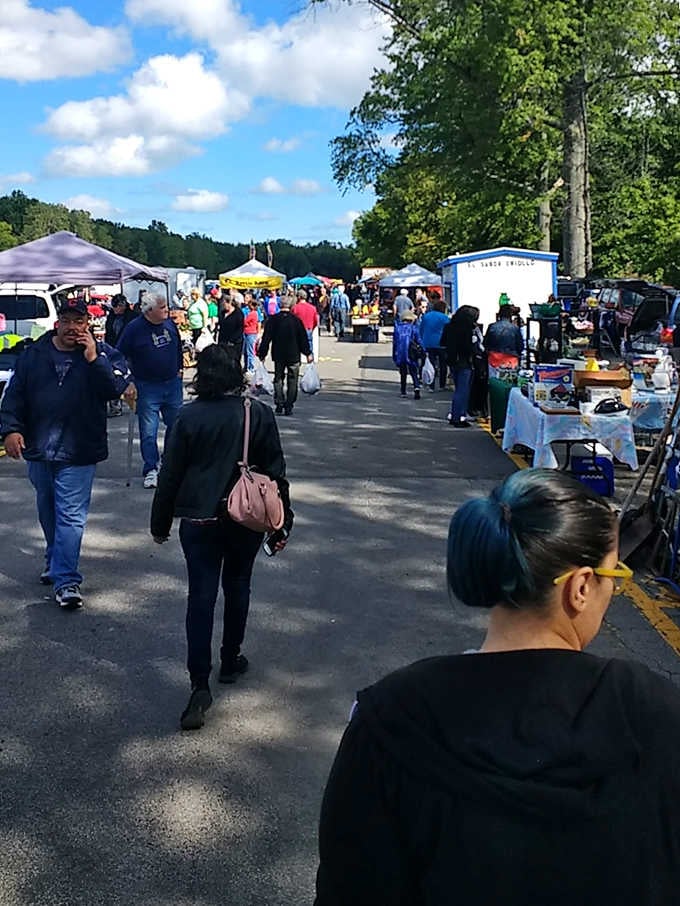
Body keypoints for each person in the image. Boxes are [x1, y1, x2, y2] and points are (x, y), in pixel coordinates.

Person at [315, 469, 680, 906]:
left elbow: (349, 885)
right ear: (581, 587)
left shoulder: (390, 716)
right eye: (614, 576)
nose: (612, 592)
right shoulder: (657, 714)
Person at [150, 345, 294, 731]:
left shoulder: (187, 417)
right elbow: (276, 473)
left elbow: (170, 474)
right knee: (239, 584)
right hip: (244, 516)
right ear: (237, 374)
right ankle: (230, 659)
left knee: (200, 595)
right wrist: (283, 523)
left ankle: (199, 683)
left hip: (198, 518)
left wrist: (160, 522)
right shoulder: (258, 413)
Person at [0, 298, 131, 609]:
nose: (73, 327)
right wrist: (10, 430)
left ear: (88, 324)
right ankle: (55, 559)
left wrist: (93, 358)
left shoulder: (104, 354)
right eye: (67, 320)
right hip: (39, 447)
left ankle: (66, 581)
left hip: (79, 449)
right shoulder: (33, 354)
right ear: (57, 322)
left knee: (71, 516)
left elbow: (114, 389)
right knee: (48, 510)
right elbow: (14, 395)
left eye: (79, 321)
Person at [117, 293, 184, 489]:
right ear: (149, 311)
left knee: (177, 426)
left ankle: (168, 462)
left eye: (166, 307)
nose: (167, 311)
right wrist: (127, 380)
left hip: (172, 383)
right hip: (147, 386)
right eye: (162, 308)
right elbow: (119, 355)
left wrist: (180, 368)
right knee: (148, 432)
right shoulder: (134, 329)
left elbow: (177, 347)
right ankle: (150, 469)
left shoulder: (170, 325)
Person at [258, 296, 313, 416]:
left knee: (278, 378)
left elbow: (266, 338)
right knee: (293, 380)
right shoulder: (296, 320)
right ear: (291, 305)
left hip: (278, 354)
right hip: (293, 354)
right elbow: (303, 339)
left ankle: (279, 402)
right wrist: (308, 353)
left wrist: (262, 353)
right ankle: (289, 405)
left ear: (279, 305)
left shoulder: (273, 320)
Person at [443, 304, 480, 427]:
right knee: (463, 390)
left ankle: (459, 414)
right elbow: (469, 348)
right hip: (465, 361)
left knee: (459, 388)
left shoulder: (449, 327)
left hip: (452, 360)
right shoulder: (468, 330)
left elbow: (443, 342)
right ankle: (457, 416)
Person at [419, 297, 449, 390]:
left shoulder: (426, 316)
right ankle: (442, 385)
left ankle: (430, 384)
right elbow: (448, 331)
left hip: (427, 343)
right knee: (443, 364)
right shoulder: (445, 318)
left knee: (429, 363)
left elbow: (421, 329)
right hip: (441, 343)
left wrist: (421, 340)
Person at [484, 303, 524, 375]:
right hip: (511, 361)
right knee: (509, 383)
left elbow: (486, 344)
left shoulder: (492, 326)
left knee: (493, 383)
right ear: (511, 315)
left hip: (493, 360)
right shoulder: (515, 328)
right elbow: (520, 347)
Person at [392, 308, 422, 400]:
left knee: (403, 373)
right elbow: (419, 340)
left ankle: (403, 391)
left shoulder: (397, 329)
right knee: (413, 371)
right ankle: (416, 387)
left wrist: (394, 355)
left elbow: (395, 343)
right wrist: (423, 350)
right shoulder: (413, 328)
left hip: (401, 353)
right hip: (411, 352)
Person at [218, 291, 245, 360]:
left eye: (224, 304)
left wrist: (232, 340)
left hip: (234, 343)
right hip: (223, 341)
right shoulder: (222, 313)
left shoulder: (238, 313)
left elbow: (240, 329)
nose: (223, 306)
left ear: (229, 303)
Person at [292, 288, 320, 354]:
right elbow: (316, 320)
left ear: (299, 297)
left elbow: (292, 320)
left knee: (297, 347)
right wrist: (312, 328)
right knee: (309, 346)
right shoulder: (313, 308)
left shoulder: (295, 308)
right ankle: (310, 361)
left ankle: (297, 361)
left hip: (298, 330)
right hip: (308, 328)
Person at [242, 296, 260, 373]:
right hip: (247, 332)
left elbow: (245, 322)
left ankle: (251, 368)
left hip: (250, 333)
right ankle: (246, 366)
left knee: (250, 351)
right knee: (246, 351)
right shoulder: (254, 313)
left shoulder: (252, 314)